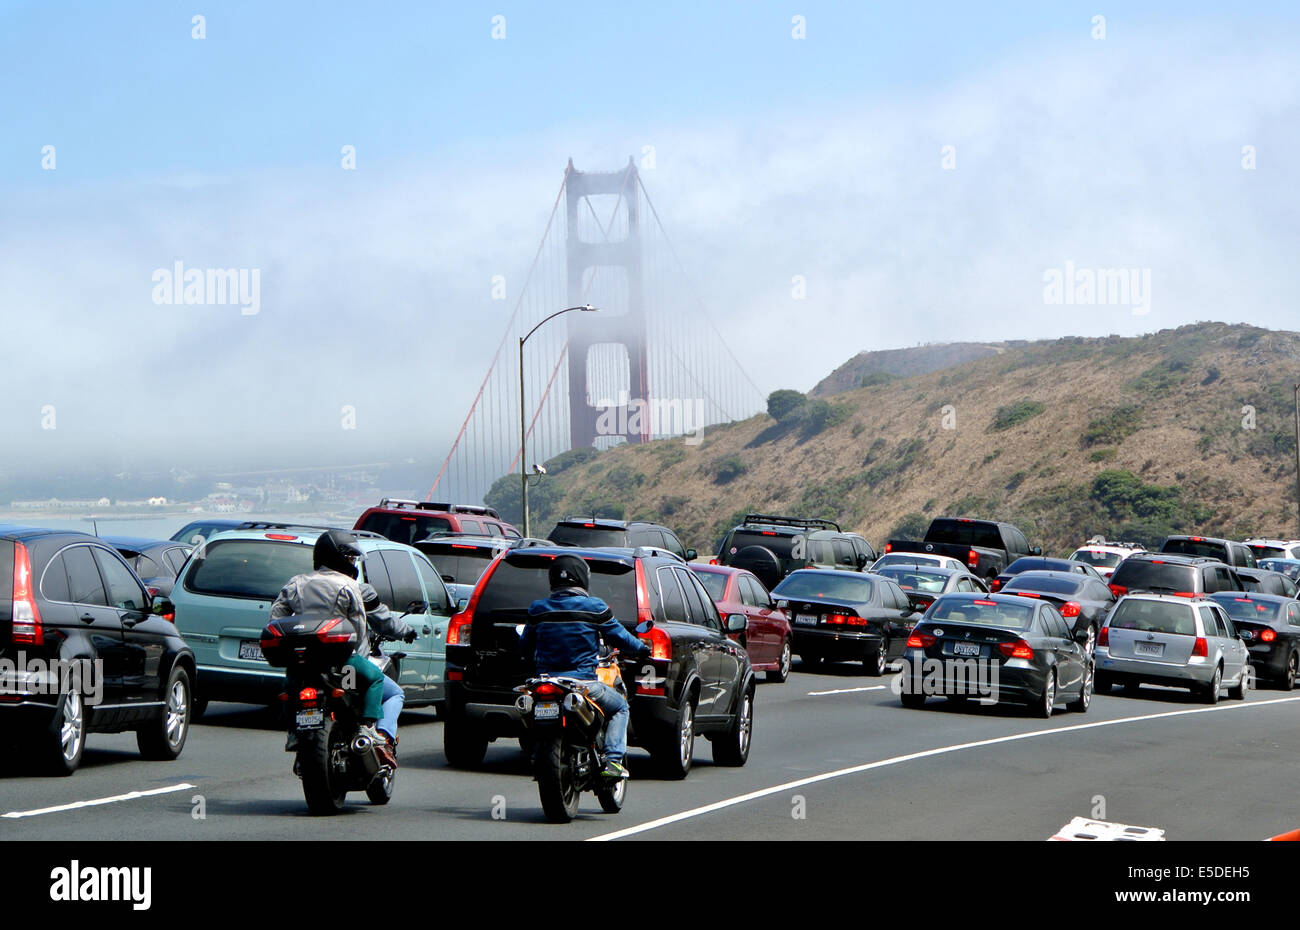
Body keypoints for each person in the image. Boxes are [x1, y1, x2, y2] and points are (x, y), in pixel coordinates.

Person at [269, 530, 417, 768]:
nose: (352, 562)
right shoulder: (351, 586)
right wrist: (356, 651)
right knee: (381, 684)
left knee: (290, 689)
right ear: (338, 557)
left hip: (303, 661)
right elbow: (359, 623)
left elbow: (276, 617)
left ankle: (294, 732)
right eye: (349, 557)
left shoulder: (296, 582)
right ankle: (370, 730)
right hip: (342, 660)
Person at [520, 554, 651, 779]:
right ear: (583, 578)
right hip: (583, 683)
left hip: (545, 680)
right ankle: (612, 761)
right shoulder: (595, 608)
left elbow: (525, 648)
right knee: (620, 707)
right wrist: (642, 649)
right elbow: (621, 638)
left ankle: (536, 751)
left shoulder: (538, 609)